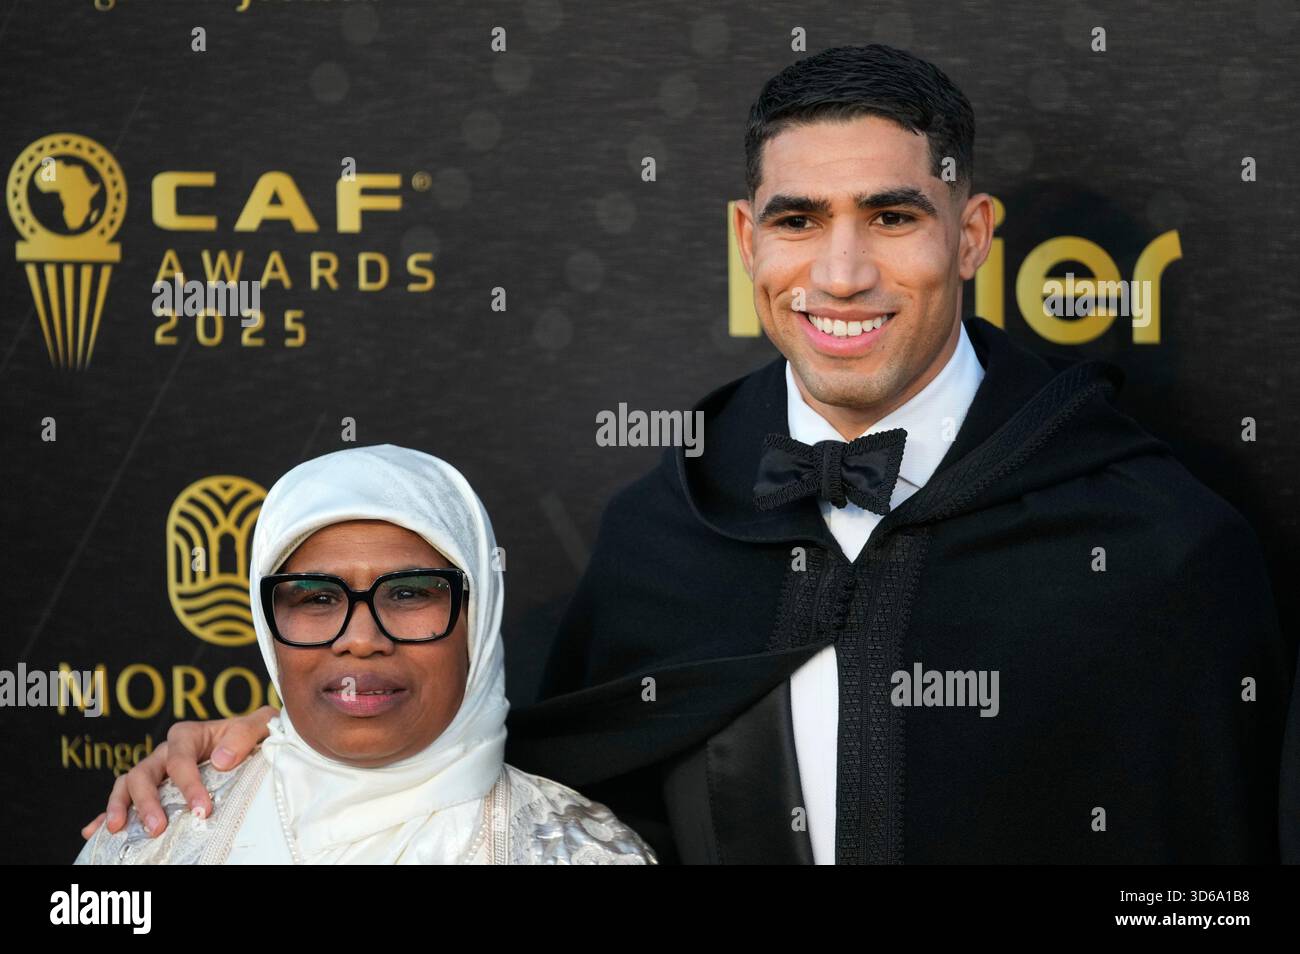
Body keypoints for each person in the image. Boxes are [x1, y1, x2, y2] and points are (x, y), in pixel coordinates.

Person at [84, 45, 1294, 865]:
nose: (839, 273)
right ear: (743, 240)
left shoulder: (1151, 543)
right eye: (796, 220)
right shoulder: (668, 522)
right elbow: (497, 735)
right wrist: (266, 737)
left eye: (891, 215)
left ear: (970, 233)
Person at [76, 444, 654, 864]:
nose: (360, 638)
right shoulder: (153, 838)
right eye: (316, 597)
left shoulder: (587, 854)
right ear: (266, 625)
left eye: (408, 593)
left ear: (476, 621)